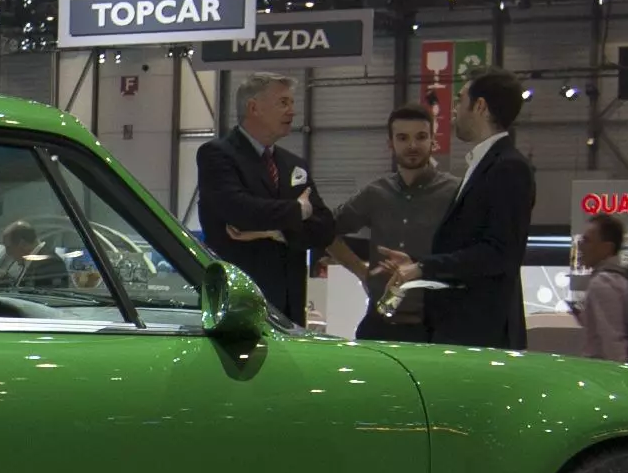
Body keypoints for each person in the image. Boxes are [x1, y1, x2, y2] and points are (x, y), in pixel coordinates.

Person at [378, 67, 534, 350]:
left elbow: (498, 253)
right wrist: (415, 261)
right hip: (463, 328)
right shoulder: (486, 165)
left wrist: (424, 267)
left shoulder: (508, 168)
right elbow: (470, 243)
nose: (454, 111)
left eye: (461, 100)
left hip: (482, 333)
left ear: (480, 106)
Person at [194, 73, 334, 322]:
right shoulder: (217, 155)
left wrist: (273, 232)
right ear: (254, 107)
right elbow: (239, 210)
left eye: (292, 103)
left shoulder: (293, 164)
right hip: (238, 304)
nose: (292, 111)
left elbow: (324, 226)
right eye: (283, 103)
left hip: (290, 310)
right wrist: (297, 211)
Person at [328, 105, 459, 341]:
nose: (412, 146)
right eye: (402, 138)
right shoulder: (376, 193)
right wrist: (361, 270)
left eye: (421, 137)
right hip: (380, 323)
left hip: (436, 327)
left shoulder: (455, 193)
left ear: (433, 141)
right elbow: (325, 230)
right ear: (390, 144)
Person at [570, 214, 628, 363]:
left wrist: (622, 379)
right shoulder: (621, 277)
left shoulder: (602, 283)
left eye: (587, 241)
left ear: (607, 248)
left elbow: (614, 341)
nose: (580, 246)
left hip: (602, 373)